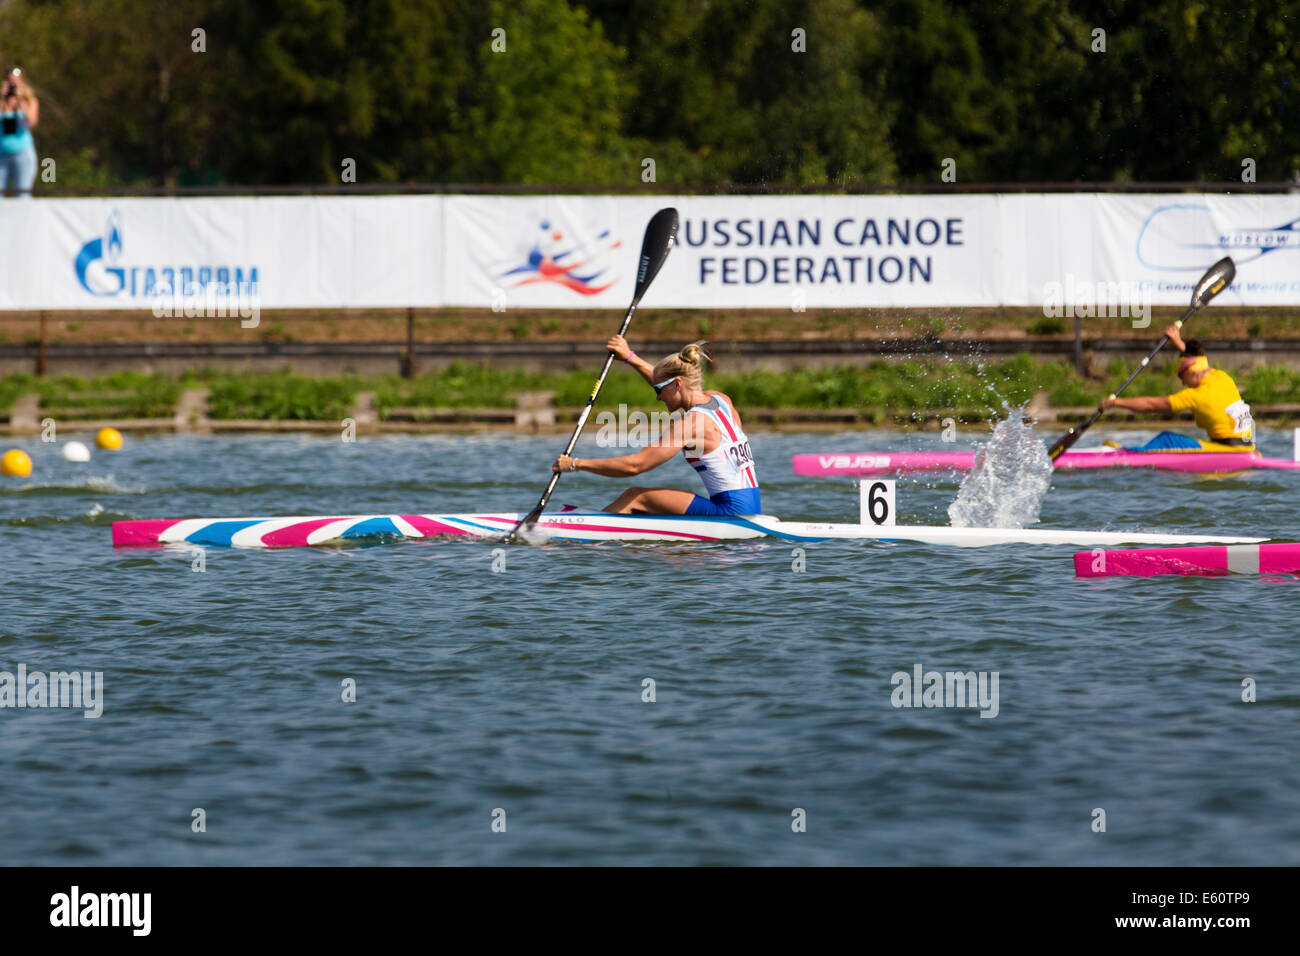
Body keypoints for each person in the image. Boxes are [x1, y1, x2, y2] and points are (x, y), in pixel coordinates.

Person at [552, 336, 761, 514]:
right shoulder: (721, 401)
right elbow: (664, 380)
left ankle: (588, 535)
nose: (658, 397)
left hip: (730, 512)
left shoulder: (691, 424)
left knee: (634, 496)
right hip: (751, 508)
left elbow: (636, 465)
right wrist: (630, 358)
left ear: (678, 384)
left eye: (658, 390)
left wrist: (575, 464)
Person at [1101, 324, 1254, 451]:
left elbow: (1151, 405)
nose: (1182, 383)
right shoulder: (1221, 377)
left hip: (1229, 450)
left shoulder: (1195, 395)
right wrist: (1177, 341)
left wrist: (1115, 403)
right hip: (1247, 446)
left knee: (1167, 440)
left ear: (1189, 372)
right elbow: (1196, 361)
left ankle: (1130, 454)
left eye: (1181, 376)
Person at [0, 67, 39, 198]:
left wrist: (20, 100)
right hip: (1, 155)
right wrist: (2, 99)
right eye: (10, 81)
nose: (13, 85)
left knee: (22, 196)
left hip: (23, 153)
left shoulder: (29, 100)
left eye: (16, 81)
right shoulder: (1, 100)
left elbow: (31, 122)